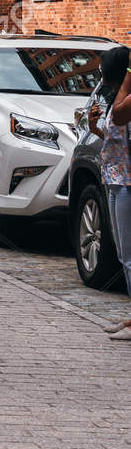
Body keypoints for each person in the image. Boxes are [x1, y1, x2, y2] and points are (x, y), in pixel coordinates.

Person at [88, 43, 131, 336]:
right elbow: (115, 141)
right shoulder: (116, 98)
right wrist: (96, 130)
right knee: (122, 254)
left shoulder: (124, 102)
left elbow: (120, 120)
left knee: (129, 256)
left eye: (103, 69)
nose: (100, 74)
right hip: (114, 180)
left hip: (127, 183)